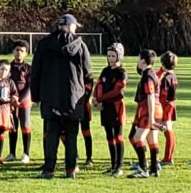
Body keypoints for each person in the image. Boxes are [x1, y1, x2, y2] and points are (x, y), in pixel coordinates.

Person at [31, 13, 93, 179]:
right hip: (74, 98)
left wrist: (35, 96)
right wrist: (85, 96)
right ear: (70, 26)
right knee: (72, 136)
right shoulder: (80, 46)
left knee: (51, 135)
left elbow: (35, 72)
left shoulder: (44, 44)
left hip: (50, 97)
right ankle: (70, 169)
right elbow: (88, 75)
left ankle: (49, 170)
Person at [93, 43, 127, 177]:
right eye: (109, 56)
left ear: (119, 56)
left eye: (113, 56)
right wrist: (95, 100)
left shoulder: (121, 73)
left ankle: (119, 166)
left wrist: (101, 98)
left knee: (118, 136)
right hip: (105, 108)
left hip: (116, 107)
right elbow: (98, 86)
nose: (111, 58)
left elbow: (117, 91)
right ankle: (113, 165)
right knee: (109, 136)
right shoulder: (105, 71)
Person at [128, 49, 162, 179]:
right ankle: (154, 168)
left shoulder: (148, 76)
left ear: (142, 60)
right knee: (152, 139)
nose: (137, 60)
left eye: (138, 58)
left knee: (136, 138)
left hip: (148, 110)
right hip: (154, 109)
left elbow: (150, 96)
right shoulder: (151, 74)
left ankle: (143, 168)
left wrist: (152, 117)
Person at [7, 40, 33, 163]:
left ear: (26, 53)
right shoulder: (8, 67)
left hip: (24, 102)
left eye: (22, 51)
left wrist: (21, 99)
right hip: (10, 102)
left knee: (25, 126)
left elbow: (30, 86)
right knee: (12, 127)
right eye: (17, 50)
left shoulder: (28, 68)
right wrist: (11, 98)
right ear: (13, 51)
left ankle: (26, 154)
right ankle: (12, 153)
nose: (19, 53)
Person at [157, 51, 179, 166]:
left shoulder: (166, 79)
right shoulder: (173, 76)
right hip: (171, 104)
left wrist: (158, 105)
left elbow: (163, 94)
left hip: (166, 105)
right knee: (168, 130)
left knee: (167, 131)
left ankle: (167, 158)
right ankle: (169, 157)